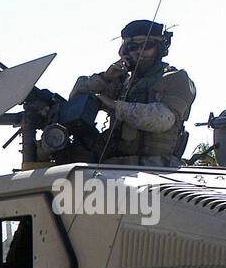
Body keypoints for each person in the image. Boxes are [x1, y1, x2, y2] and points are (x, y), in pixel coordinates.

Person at [69, 19, 196, 166]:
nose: (139, 52)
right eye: (132, 47)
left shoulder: (176, 78)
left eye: (147, 45)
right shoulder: (122, 82)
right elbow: (75, 99)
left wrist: (116, 106)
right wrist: (104, 78)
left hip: (158, 168)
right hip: (114, 167)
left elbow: (163, 119)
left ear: (159, 47)